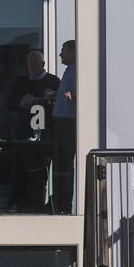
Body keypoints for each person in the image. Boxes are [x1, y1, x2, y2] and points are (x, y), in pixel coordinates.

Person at [6, 50, 62, 212]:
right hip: (25, 134)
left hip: (46, 134)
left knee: (42, 171)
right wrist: (20, 103)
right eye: (29, 64)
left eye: (34, 64)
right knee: (23, 169)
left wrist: (51, 98)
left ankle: (42, 204)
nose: (31, 68)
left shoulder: (53, 81)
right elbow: (9, 102)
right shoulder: (21, 82)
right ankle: (23, 203)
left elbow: (65, 101)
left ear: (43, 65)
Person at [53, 39, 77, 215]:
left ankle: (65, 206)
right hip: (62, 122)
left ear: (73, 52)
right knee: (62, 164)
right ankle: (60, 201)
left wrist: (73, 96)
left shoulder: (78, 71)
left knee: (66, 165)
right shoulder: (69, 71)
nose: (60, 54)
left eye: (63, 51)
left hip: (69, 123)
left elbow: (83, 95)